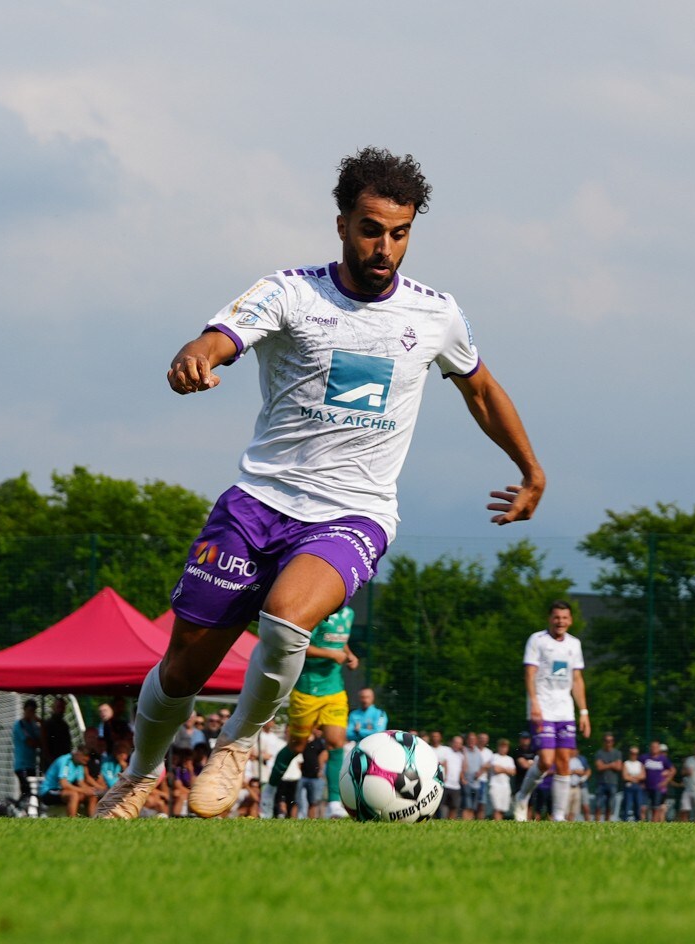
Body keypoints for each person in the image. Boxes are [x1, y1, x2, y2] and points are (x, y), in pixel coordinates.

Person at [98, 148, 544, 819]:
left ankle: (237, 745)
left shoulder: (435, 313)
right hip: (258, 504)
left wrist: (531, 471)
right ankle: (138, 777)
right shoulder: (290, 291)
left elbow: (479, 388)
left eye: (399, 233)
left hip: (353, 513)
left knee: (288, 616)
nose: (384, 248)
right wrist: (194, 357)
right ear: (341, 225)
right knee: (185, 664)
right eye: (371, 230)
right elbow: (218, 339)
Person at [273, 606, 360, 820]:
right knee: (297, 746)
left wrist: (350, 655)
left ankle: (334, 803)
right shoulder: (316, 611)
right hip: (307, 691)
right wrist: (331, 654)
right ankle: (271, 789)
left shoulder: (349, 613)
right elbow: (299, 647)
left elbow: (339, 640)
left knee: (336, 743)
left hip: (335, 691)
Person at [512, 601, 589, 822]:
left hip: (565, 710)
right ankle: (522, 797)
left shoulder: (574, 644)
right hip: (543, 708)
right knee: (546, 761)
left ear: (570, 620)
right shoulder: (537, 640)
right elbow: (529, 673)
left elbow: (577, 679)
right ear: (550, 618)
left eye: (564, 618)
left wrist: (584, 712)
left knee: (564, 761)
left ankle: (558, 816)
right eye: (556, 617)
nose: (560, 622)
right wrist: (534, 703)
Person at [40, 748, 99, 818]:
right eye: (84, 759)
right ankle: (72, 820)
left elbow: (81, 783)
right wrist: (83, 790)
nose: (85, 763)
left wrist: (90, 790)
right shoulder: (65, 761)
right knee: (73, 795)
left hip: (63, 791)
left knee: (92, 796)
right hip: (50, 791)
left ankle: (93, 819)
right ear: (78, 754)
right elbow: (64, 784)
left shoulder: (79, 763)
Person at [12, 699, 44, 798]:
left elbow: (42, 740)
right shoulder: (20, 725)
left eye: (33, 711)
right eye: (30, 710)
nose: (31, 713)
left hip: (32, 765)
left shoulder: (34, 726)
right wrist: (38, 743)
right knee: (26, 790)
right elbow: (30, 742)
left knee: (33, 791)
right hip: (22, 765)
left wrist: (40, 722)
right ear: (25, 710)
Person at [296, 725, 329, 819]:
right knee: (297, 800)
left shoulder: (320, 742)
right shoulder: (303, 741)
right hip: (301, 776)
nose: (319, 731)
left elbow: (324, 754)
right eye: (317, 729)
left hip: (315, 777)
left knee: (313, 802)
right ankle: (296, 818)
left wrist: (320, 769)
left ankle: (311, 819)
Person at [641, 740, 674, 822]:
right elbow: (639, 768)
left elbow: (673, 770)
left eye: (656, 747)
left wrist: (666, 782)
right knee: (643, 807)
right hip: (645, 787)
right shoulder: (644, 758)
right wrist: (640, 781)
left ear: (659, 748)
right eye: (652, 747)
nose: (654, 749)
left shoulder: (663, 759)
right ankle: (642, 823)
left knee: (655, 808)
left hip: (657, 787)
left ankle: (654, 824)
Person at [591, 733, 621, 822]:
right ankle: (596, 823)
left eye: (610, 741)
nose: (608, 743)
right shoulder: (599, 753)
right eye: (607, 741)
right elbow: (599, 767)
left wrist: (605, 765)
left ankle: (607, 823)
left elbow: (619, 767)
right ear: (603, 742)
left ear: (613, 742)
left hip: (612, 782)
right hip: (601, 783)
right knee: (598, 805)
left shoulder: (617, 753)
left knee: (610, 805)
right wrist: (612, 764)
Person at [487, 738, 517, 820]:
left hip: (505, 785)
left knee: (503, 808)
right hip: (495, 785)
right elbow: (496, 769)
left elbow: (513, 772)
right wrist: (507, 770)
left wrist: (502, 769)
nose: (503, 749)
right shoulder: (494, 756)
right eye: (502, 747)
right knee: (497, 807)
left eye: (505, 747)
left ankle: (500, 822)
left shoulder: (509, 759)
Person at [42, 697, 74, 768]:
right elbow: (44, 745)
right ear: (53, 708)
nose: (60, 710)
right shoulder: (48, 724)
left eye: (62, 707)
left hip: (62, 762)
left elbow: (67, 745)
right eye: (58, 707)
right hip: (51, 762)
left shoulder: (65, 726)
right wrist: (49, 760)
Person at [460, 732, 485, 820]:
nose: (471, 741)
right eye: (470, 739)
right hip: (466, 782)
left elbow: (482, 766)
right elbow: (460, 765)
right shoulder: (463, 750)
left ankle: (469, 823)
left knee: (473, 807)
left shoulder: (478, 752)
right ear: (467, 740)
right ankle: (465, 822)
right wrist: (462, 778)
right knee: (466, 805)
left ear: (476, 741)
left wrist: (479, 773)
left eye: (473, 739)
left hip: (476, 783)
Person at [619, 745, 645, 822]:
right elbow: (625, 776)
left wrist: (631, 777)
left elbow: (643, 776)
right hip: (628, 786)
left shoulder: (639, 764)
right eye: (632, 753)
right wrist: (636, 777)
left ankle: (638, 821)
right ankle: (625, 820)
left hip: (637, 786)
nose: (634, 755)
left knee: (638, 804)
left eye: (635, 753)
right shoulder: (626, 763)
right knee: (627, 804)